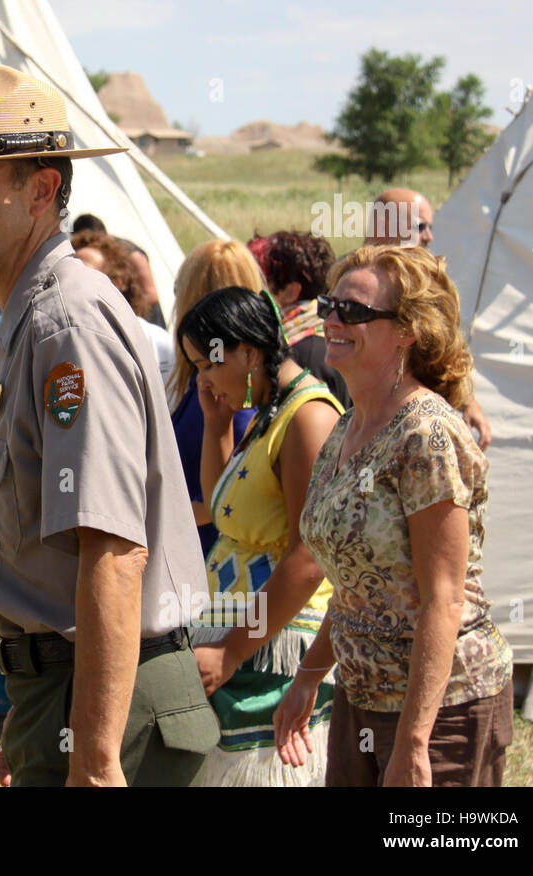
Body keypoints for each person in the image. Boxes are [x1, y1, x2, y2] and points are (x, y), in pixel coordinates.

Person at [0, 63, 219, 786]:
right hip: (63, 691)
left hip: (105, 707)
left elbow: (114, 548)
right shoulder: (30, 316)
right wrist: (31, 713)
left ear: (41, 189)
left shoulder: (66, 321)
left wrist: (91, 758)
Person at [274, 246, 514, 787]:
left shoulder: (425, 435)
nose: (331, 320)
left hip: (443, 709)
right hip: (362, 697)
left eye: (354, 312)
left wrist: (413, 741)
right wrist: (308, 678)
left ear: (406, 331)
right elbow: (358, 583)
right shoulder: (349, 426)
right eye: (329, 304)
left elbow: (443, 598)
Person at [177, 287, 343, 785]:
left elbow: (309, 556)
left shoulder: (309, 417)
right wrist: (216, 424)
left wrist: (231, 651)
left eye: (207, 364)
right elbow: (222, 508)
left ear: (249, 352)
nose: (203, 380)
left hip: (273, 644)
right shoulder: (271, 408)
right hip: (240, 631)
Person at [362, 188, 491, 449]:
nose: (428, 237)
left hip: (417, 429)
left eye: (429, 227)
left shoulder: (428, 285)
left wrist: (468, 401)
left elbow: (445, 352)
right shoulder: (350, 283)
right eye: (419, 226)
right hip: (362, 421)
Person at [168, 239, 264, 557]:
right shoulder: (212, 383)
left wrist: (154, 518)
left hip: (210, 560)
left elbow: (228, 498)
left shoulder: (225, 392)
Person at [251, 230, 350, 408]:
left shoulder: (301, 355)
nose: (253, 295)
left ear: (290, 292)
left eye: (261, 284)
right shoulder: (332, 337)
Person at [70, 228, 173, 390]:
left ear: (116, 284)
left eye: (84, 273)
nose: (71, 281)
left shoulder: (158, 343)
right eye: (69, 272)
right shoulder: (60, 340)